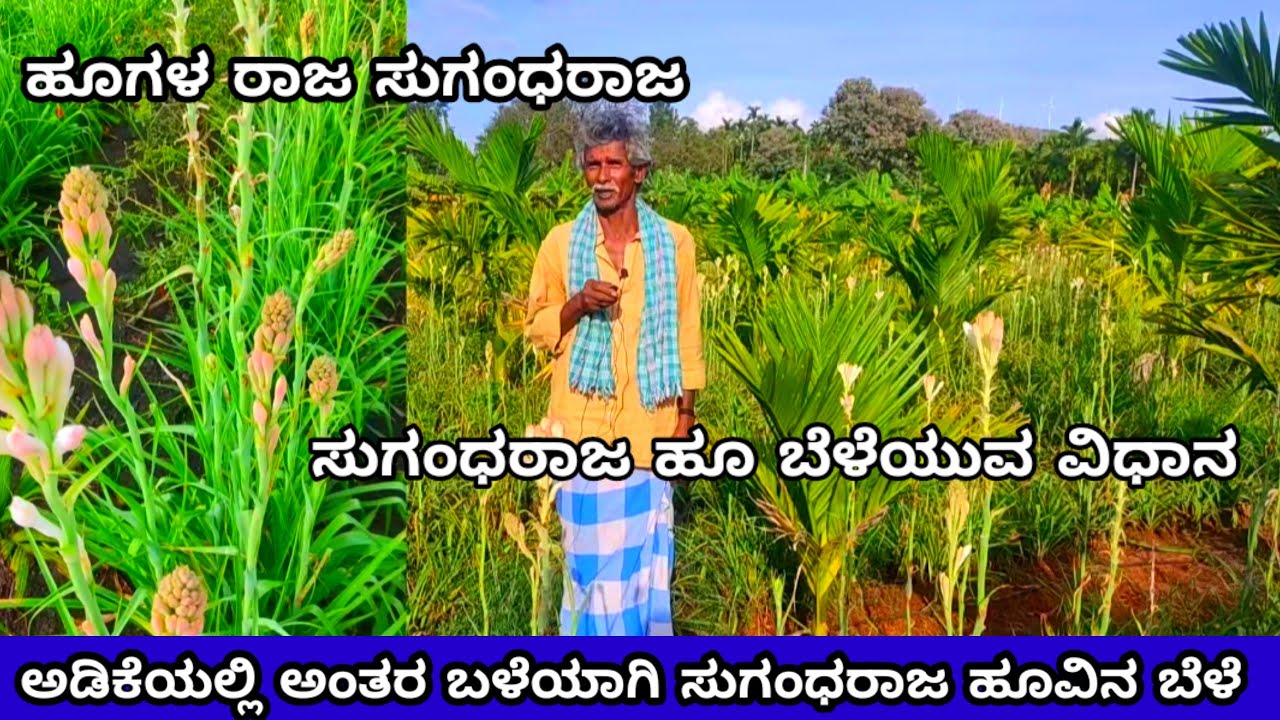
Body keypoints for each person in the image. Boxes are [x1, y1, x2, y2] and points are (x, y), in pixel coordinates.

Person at [523, 104, 705, 636]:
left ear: (639, 171)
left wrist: (686, 416)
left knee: (647, 578)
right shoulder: (561, 243)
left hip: (651, 433)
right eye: (592, 165)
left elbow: (687, 331)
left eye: (613, 165)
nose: (601, 177)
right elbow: (535, 325)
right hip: (582, 436)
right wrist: (577, 304)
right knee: (592, 583)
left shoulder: (674, 243)